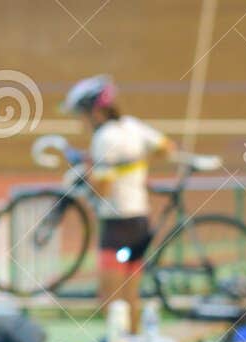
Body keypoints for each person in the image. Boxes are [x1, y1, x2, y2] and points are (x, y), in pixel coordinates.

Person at [61, 75, 172, 319]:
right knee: (131, 298)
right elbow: (166, 147)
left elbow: (102, 189)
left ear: (94, 112)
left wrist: (88, 170)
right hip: (140, 220)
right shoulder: (132, 126)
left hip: (116, 225)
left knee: (110, 299)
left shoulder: (104, 138)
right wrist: (135, 164)